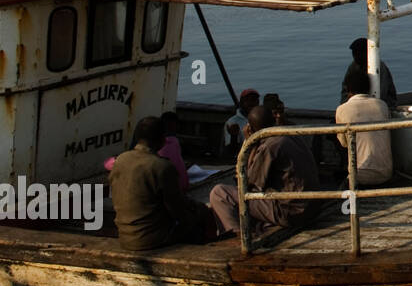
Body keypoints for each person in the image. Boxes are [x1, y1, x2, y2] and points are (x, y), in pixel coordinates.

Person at [209, 105, 320, 237]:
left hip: (290, 212)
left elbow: (248, 183)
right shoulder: (292, 135)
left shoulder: (269, 145)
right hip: (311, 207)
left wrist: (250, 143)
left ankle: (237, 237)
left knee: (220, 193)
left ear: (251, 128)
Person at [109, 117, 209, 250]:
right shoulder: (162, 166)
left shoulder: (120, 160)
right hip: (151, 240)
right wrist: (196, 214)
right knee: (199, 217)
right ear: (162, 140)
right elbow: (177, 210)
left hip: (125, 236)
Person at [335, 65, 393, 186]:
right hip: (386, 173)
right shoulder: (382, 105)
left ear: (347, 89)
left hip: (359, 176)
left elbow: (344, 143)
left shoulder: (342, 110)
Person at [105, 109, 188, 190]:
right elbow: (182, 185)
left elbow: (107, 164)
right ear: (161, 140)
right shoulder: (163, 164)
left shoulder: (123, 158)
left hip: (123, 200)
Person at [341, 38, 397, 112]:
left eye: (358, 53)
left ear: (367, 53)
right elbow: (345, 88)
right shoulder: (353, 66)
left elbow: (382, 92)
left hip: (384, 106)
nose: (355, 56)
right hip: (356, 104)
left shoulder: (378, 66)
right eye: (354, 54)